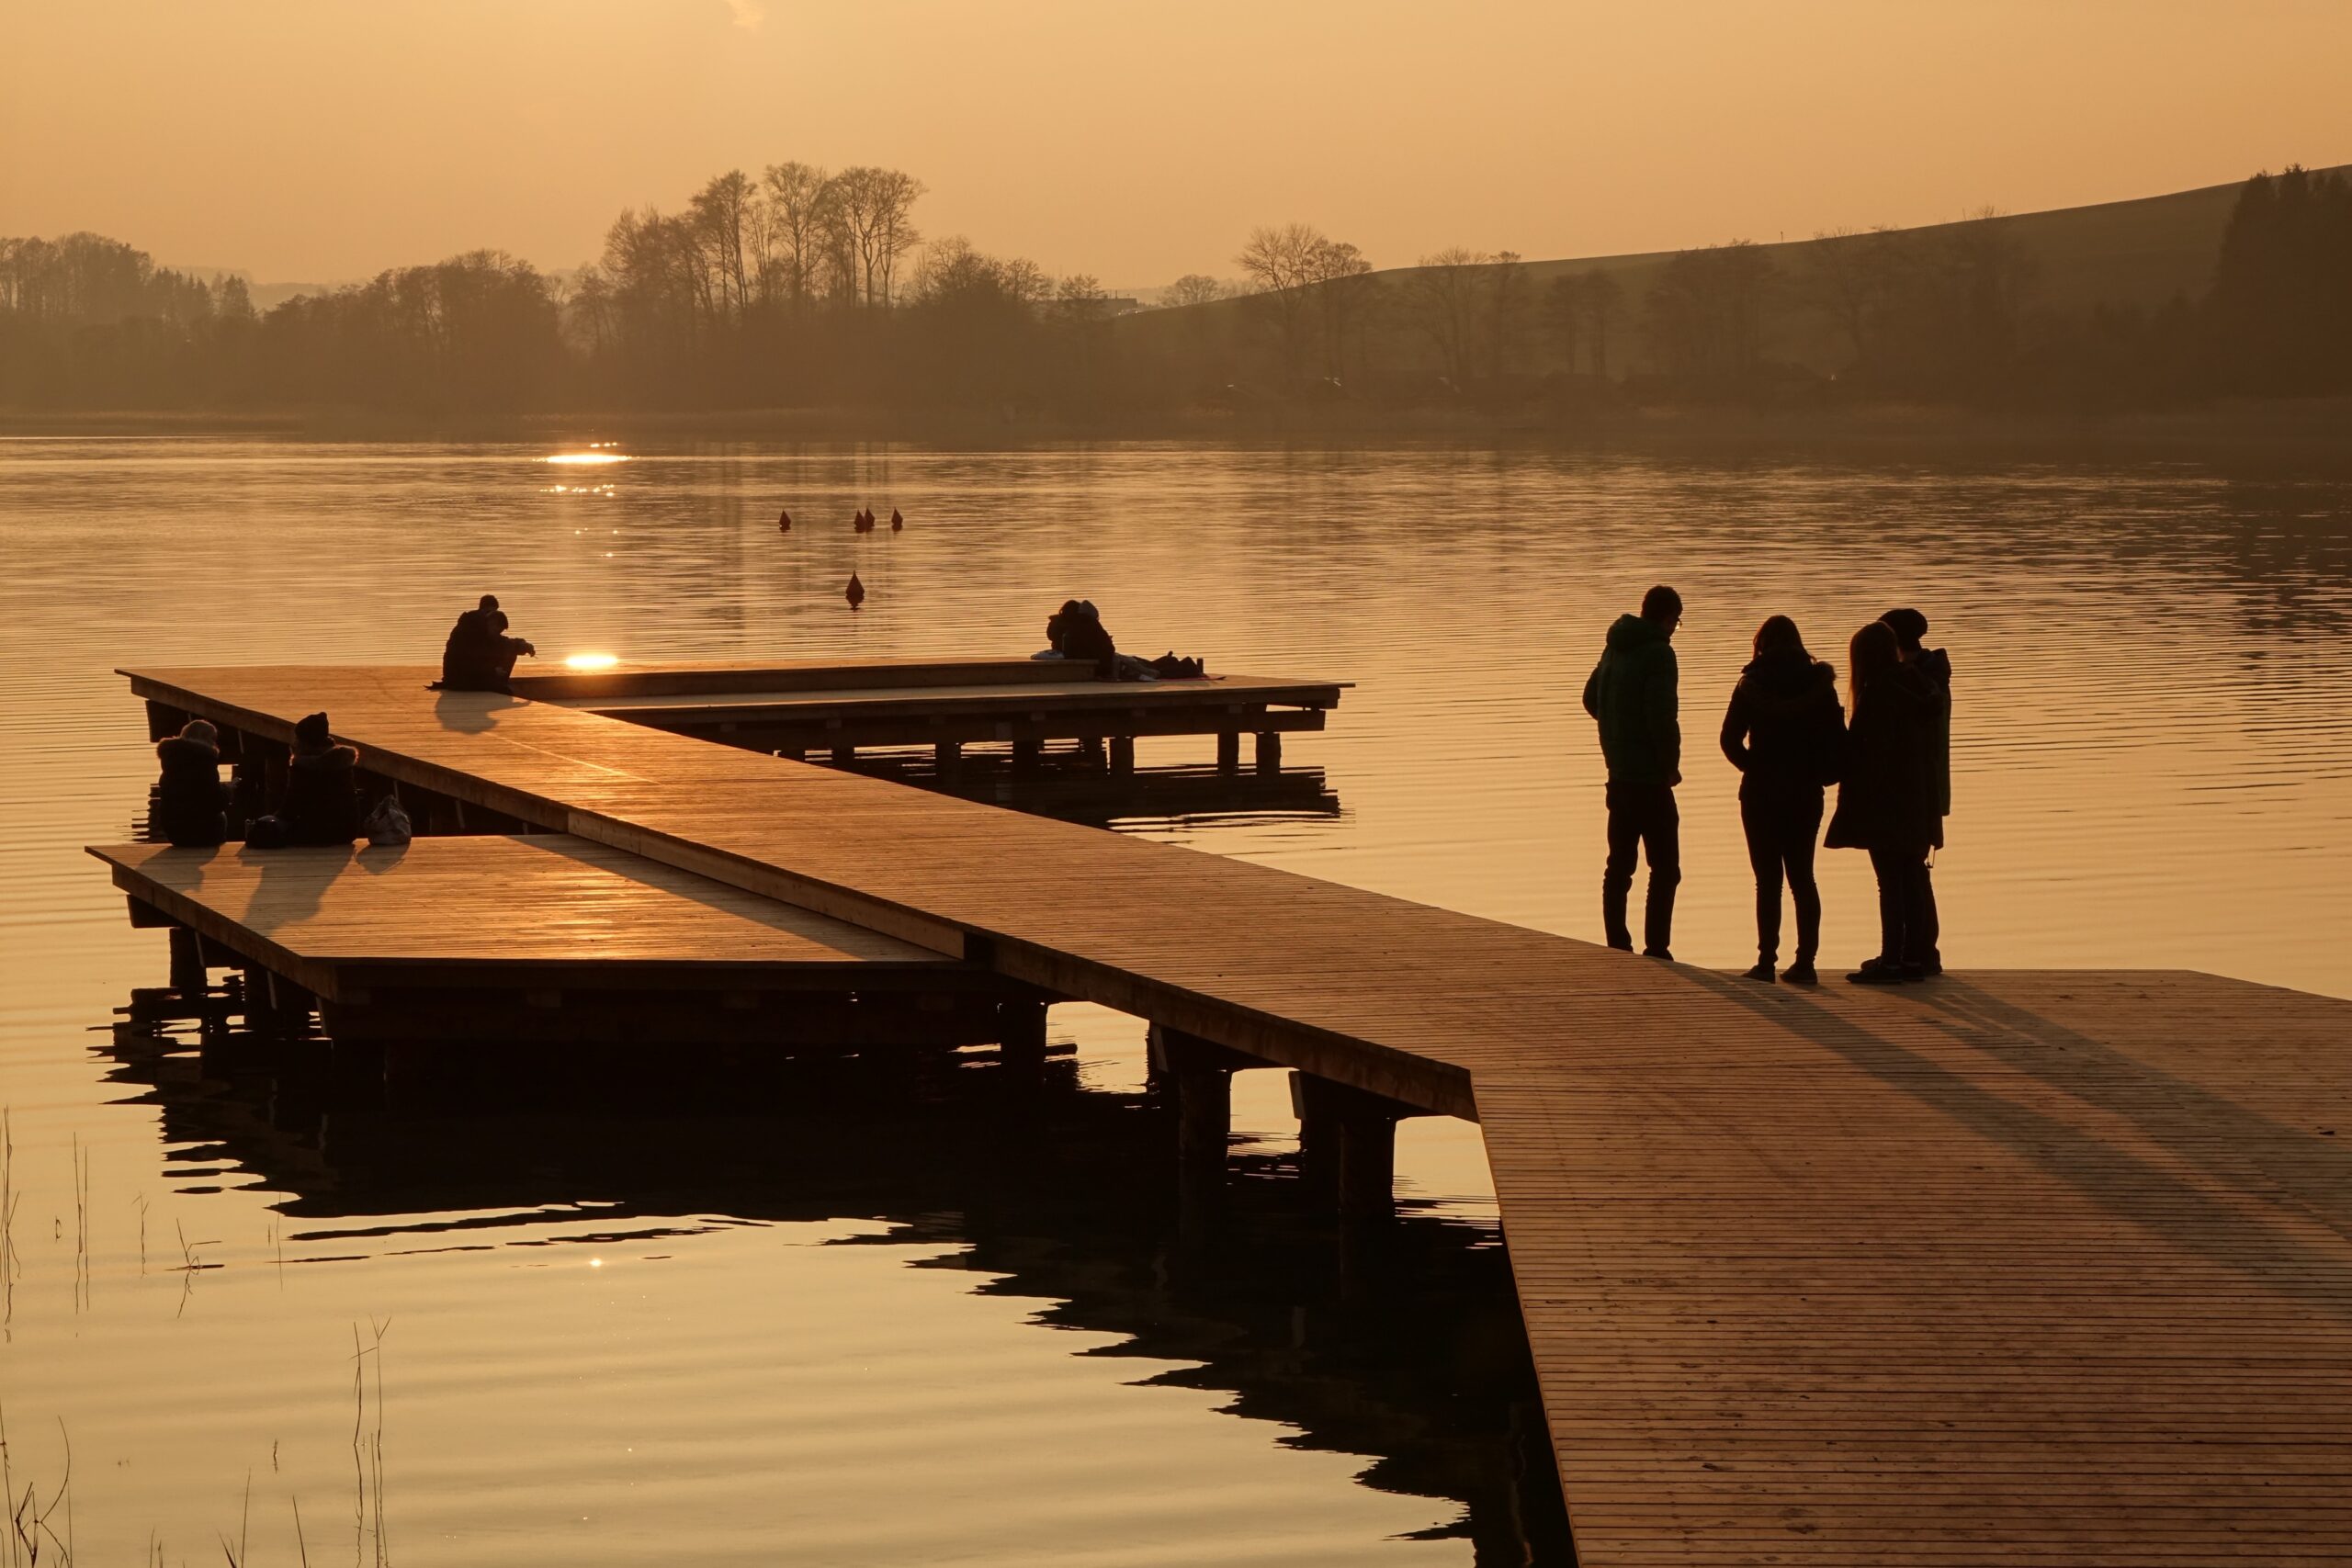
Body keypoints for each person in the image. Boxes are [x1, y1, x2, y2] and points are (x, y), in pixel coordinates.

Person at [1719, 615, 1845, 985]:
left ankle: (1765, 963)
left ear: (1761, 644)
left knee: (1768, 880)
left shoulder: (1750, 685)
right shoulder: (1821, 686)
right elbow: (1837, 741)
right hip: (1805, 792)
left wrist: (1754, 768)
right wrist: (1820, 774)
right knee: (1803, 877)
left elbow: (1729, 740)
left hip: (1760, 794)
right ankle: (1806, 963)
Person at [1824, 622, 1939, 983]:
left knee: (1889, 883)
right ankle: (1910, 958)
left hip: (1886, 804)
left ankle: (1890, 961)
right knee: (1910, 879)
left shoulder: (1878, 694)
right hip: (1918, 801)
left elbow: (1863, 754)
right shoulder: (1921, 686)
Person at [1582, 584, 1682, 957]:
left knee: (1619, 867)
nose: (1675, 629)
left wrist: (1616, 729)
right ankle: (1656, 948)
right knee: (1666, 868)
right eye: (1677, 621)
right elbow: (1662, 718)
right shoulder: (1659, 654)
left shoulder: (1614, 646)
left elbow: (1591, 697)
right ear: (1668, 617)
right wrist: (1669, 766)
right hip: (1651, 780)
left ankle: (1617, 946)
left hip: (1618, 774)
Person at [1880, 607, 1951, 974]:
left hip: (1914, 788)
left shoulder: (1914, 681)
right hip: (1929, 787)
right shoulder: (1932, 676)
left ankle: (1913, 953)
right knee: (1915, 872)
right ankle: (1922, 952)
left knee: (1907, 871)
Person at [280, 711, 364, 846]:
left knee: (267, 834)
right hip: (347, 832)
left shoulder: (303, 766)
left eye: (297, 738)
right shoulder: (341, 762)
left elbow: (290, 808)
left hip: (318, 832)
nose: (294, 742)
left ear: (305, 742)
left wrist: (273, 819)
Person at [154, 718, 232, 847]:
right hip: (202, 834)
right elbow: (216, 802)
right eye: (213, 739)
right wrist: (228, 790)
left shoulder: (170, 761)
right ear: (205, 739)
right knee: (221, 814)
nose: (215, 744)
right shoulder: (205, 761)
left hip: (175, 833)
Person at [437, 594, 536, 694]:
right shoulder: (470, 631)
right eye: (490, 612)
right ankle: (498, 684)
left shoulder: (481, 627)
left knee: (510, 650)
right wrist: (492, 671)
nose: (498, 633)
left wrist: (522, 644)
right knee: (507, 654)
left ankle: (498, 682)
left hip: (467, 675)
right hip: (460, 679)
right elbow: (469, 660)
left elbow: (502, 643)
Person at [1044, 599, 1118, 680]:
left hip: (1064, 653)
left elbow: (1051, 637)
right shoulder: (1085, 623)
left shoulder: (1057, 622)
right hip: (1087, 658)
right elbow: (1107, 648)